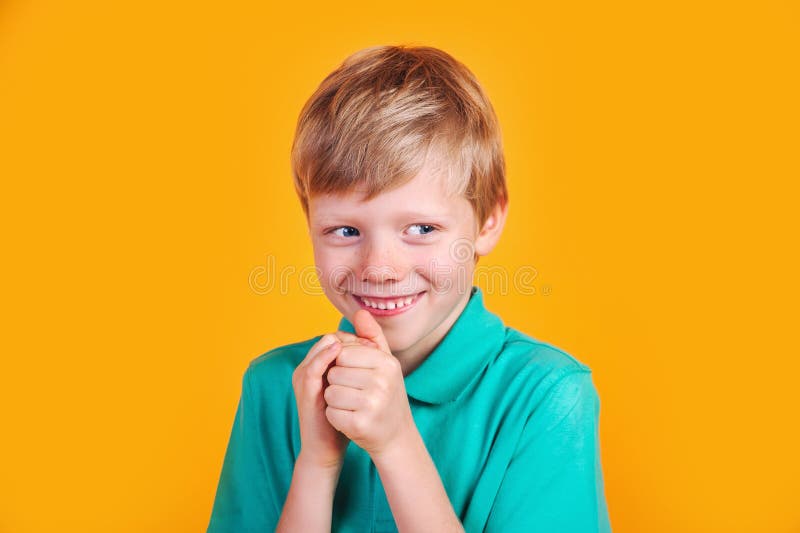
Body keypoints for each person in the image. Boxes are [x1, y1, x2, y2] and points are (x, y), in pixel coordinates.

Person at [207, 44, 612, 532]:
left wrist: (396, 443)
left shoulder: (545, 395)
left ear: (488, 219)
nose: (379, 268)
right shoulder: (273, 387)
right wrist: (317, 464)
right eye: (346, 231)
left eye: (421, 229)